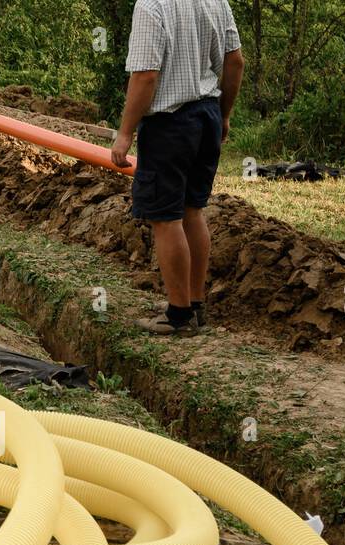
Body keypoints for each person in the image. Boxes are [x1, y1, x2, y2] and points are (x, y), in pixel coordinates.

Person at [111, 0, 245, 334]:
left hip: (169, 125)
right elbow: (235, 61)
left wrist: (125, 133)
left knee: (166, 218)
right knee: (192, 211)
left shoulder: (151, 6)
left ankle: (179, 315)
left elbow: (146, 76)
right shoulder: (216, 1)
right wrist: (224, 115)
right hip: (207, 115)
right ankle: (194, 304)